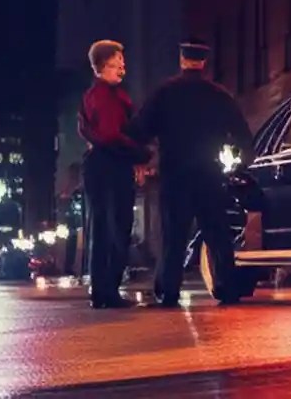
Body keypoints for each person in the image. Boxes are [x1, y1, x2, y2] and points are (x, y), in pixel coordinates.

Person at [127, 38, 255, 307]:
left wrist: (144, 153)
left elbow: (139, 130)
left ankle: (168, 290)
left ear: (182, 60)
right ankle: (226, 287)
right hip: (209, 172)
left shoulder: (165, 93)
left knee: (173, 234)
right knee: (217, 232)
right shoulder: (219, 95)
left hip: (175, 173)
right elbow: (243, 134)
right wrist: (239, 163)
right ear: (203, 63)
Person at [79, 40, 145, 309]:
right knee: (115, 228)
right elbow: (111, 135)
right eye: (118, 63)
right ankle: (108, 292)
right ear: (103, 66)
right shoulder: (106, 97)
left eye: (123, 64)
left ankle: (103, 291)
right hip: (110, 167)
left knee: (104, 228)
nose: (122, 69)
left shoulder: (96, 95)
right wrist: (140, 153)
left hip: (102, 165)